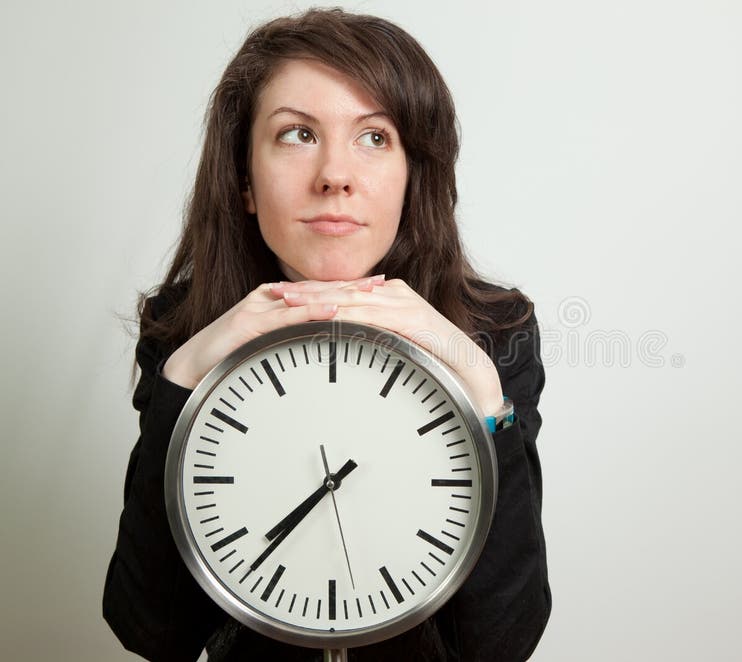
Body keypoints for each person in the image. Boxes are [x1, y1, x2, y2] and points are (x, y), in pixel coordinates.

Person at [102, 8, 550, 661]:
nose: (335, 176)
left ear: (411, 175)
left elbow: (500, 644)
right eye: (297, 134)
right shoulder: (184, 328)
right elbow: (153, 634)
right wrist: (183, 380)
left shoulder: (496, 329)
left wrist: (479, 382)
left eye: (374, 138)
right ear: (244, 181)